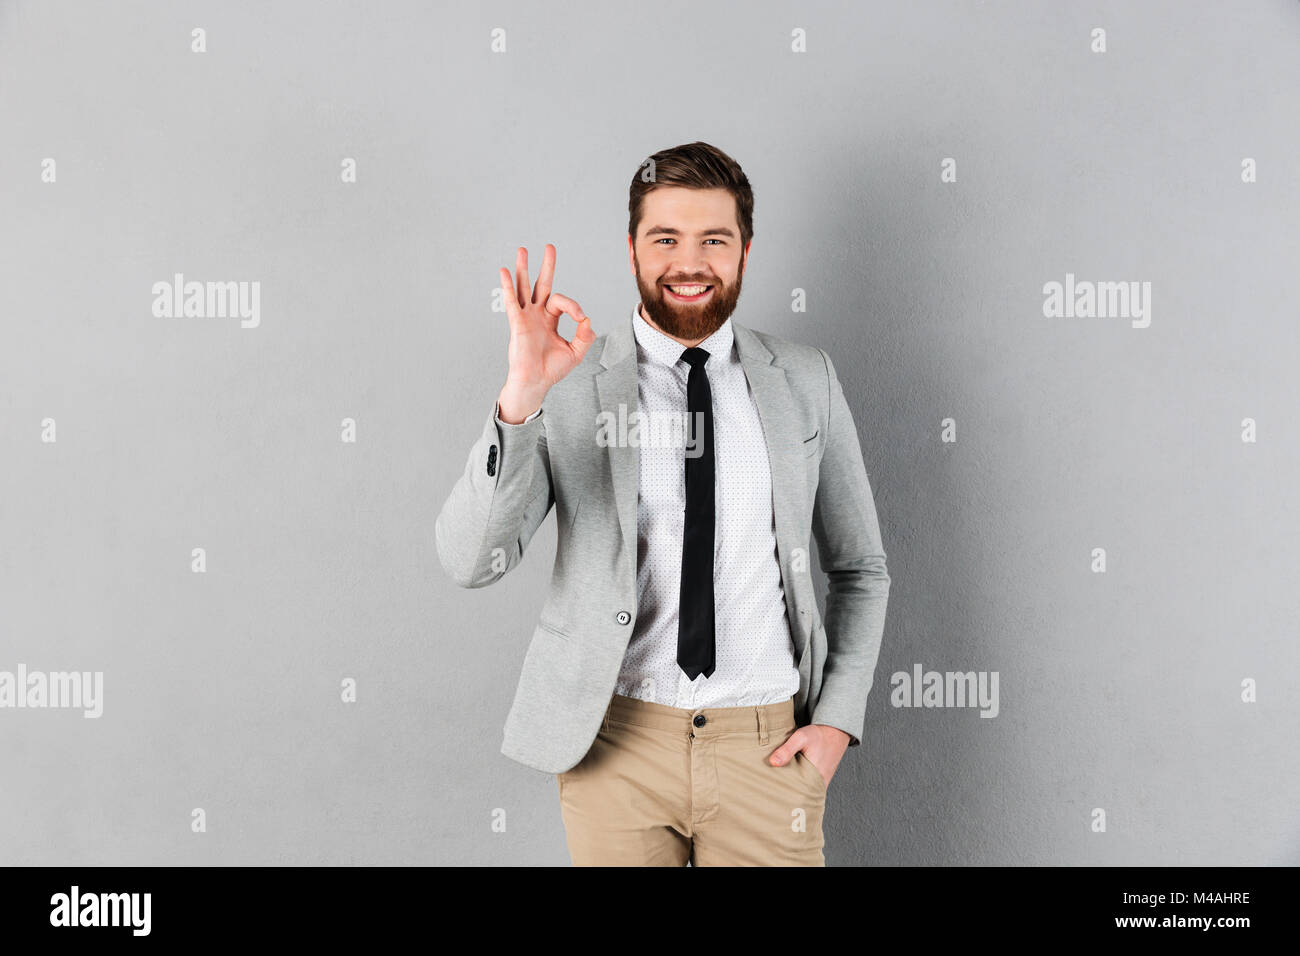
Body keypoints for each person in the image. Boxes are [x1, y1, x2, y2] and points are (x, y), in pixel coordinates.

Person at [435, 141, 891, 865]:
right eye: (665, 238)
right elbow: (470, 561)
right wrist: (521, 397)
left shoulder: (805, 379)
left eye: (714, 239)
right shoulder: (574, 382)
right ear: (632, 251)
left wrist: (836, 722)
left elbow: (862, 568)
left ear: (745, 250)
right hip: (616, 748)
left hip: (768, 751)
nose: (690, 261)